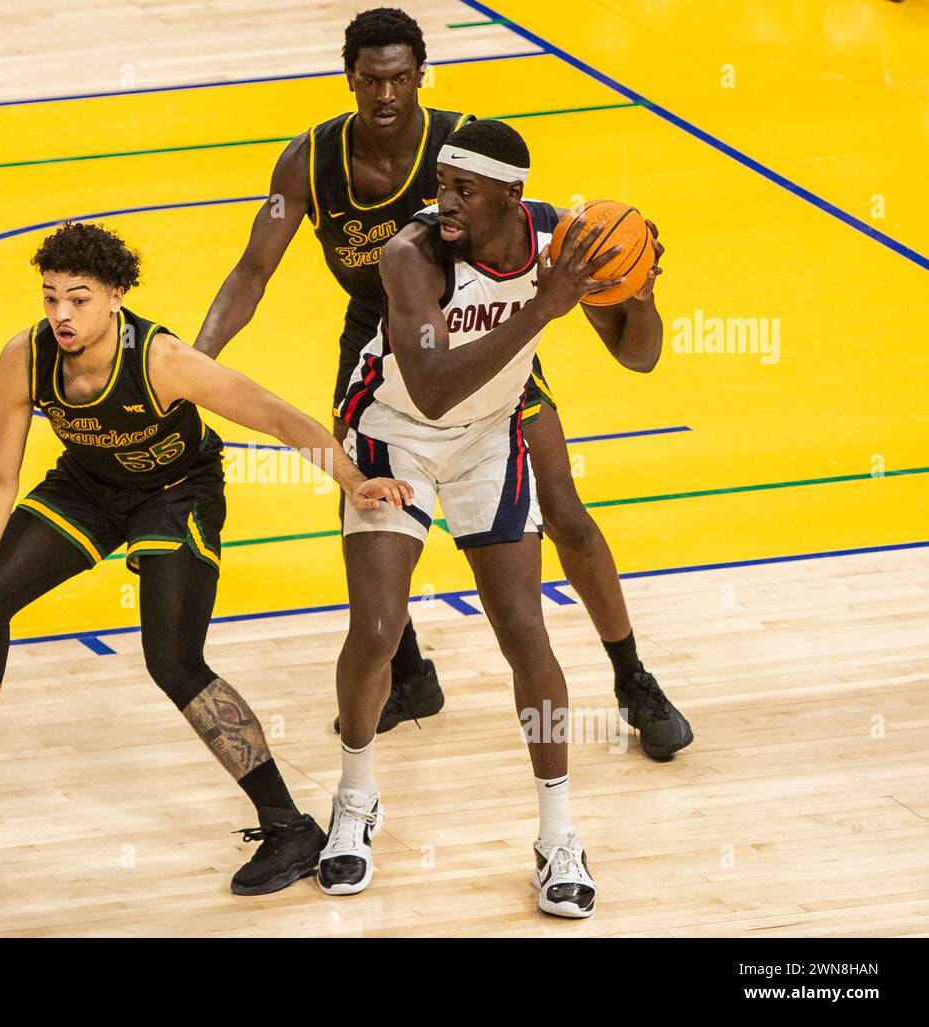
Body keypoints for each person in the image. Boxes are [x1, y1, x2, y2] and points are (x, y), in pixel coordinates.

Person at [0, 221, 411, 897]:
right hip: (87, 487)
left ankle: (290, 826)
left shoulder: (162, 360)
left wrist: (352, 480)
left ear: (115, 296)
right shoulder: (24, 357)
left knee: (172, 659)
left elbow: (278, 418)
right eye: (51, 297)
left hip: (176, 493)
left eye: (78, 299)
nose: (61, 314)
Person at [194, 6, 691, 760]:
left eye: (400, 78)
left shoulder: (465, 146)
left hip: (490, 339)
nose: (386, 94)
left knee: (565, 510)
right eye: (371, 80)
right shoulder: (310, 161)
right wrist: (193, 363)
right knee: (369, 504)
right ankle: (409, 673)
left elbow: (536, 240)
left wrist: (630, 286)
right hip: (382, 345)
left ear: (422, 76)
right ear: (350, 78)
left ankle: (634, 678)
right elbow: (252, 271)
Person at [319, 118, 666, 916]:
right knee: (377, 628)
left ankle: (558, 835)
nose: (444, 201)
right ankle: (354, 801)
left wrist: (638, 289)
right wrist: (543, 307)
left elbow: (639, 355)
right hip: (393, 434)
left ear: (511, 196)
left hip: (489, 437)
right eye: (442, 185)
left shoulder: (560, 242)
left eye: (463, 190)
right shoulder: (411, 255)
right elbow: (433, 387)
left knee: (524, 631)